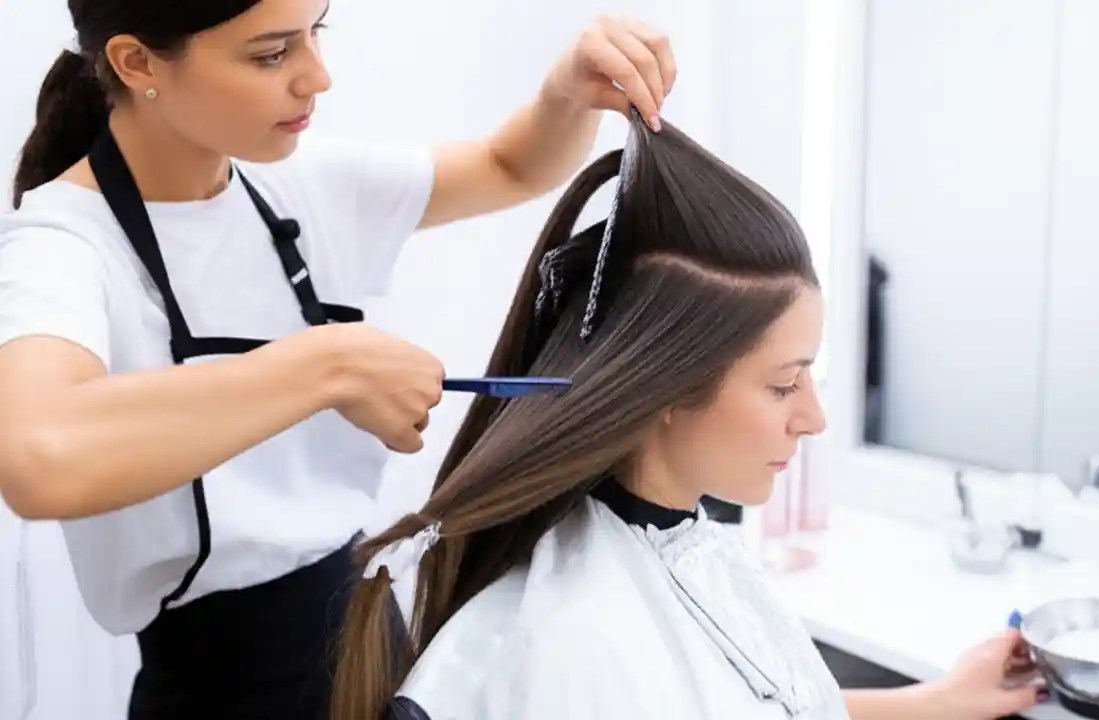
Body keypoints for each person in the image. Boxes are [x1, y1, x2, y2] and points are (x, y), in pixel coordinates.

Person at [0, 1, 677, 717]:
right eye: (271, 54)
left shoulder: (295, 180)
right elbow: (41, 459)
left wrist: (565, 92)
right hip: (223, 690)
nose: (317, 77)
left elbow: (508, 167)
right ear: (137, 64)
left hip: (367, 641)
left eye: (314, 33)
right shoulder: (62, 243)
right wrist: (330, 366)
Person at [332, 110, 1043, 720]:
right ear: (667, 387)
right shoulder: (572, 635)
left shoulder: (681, 553)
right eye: (783, 386)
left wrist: (937, 700)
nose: (815, 419)